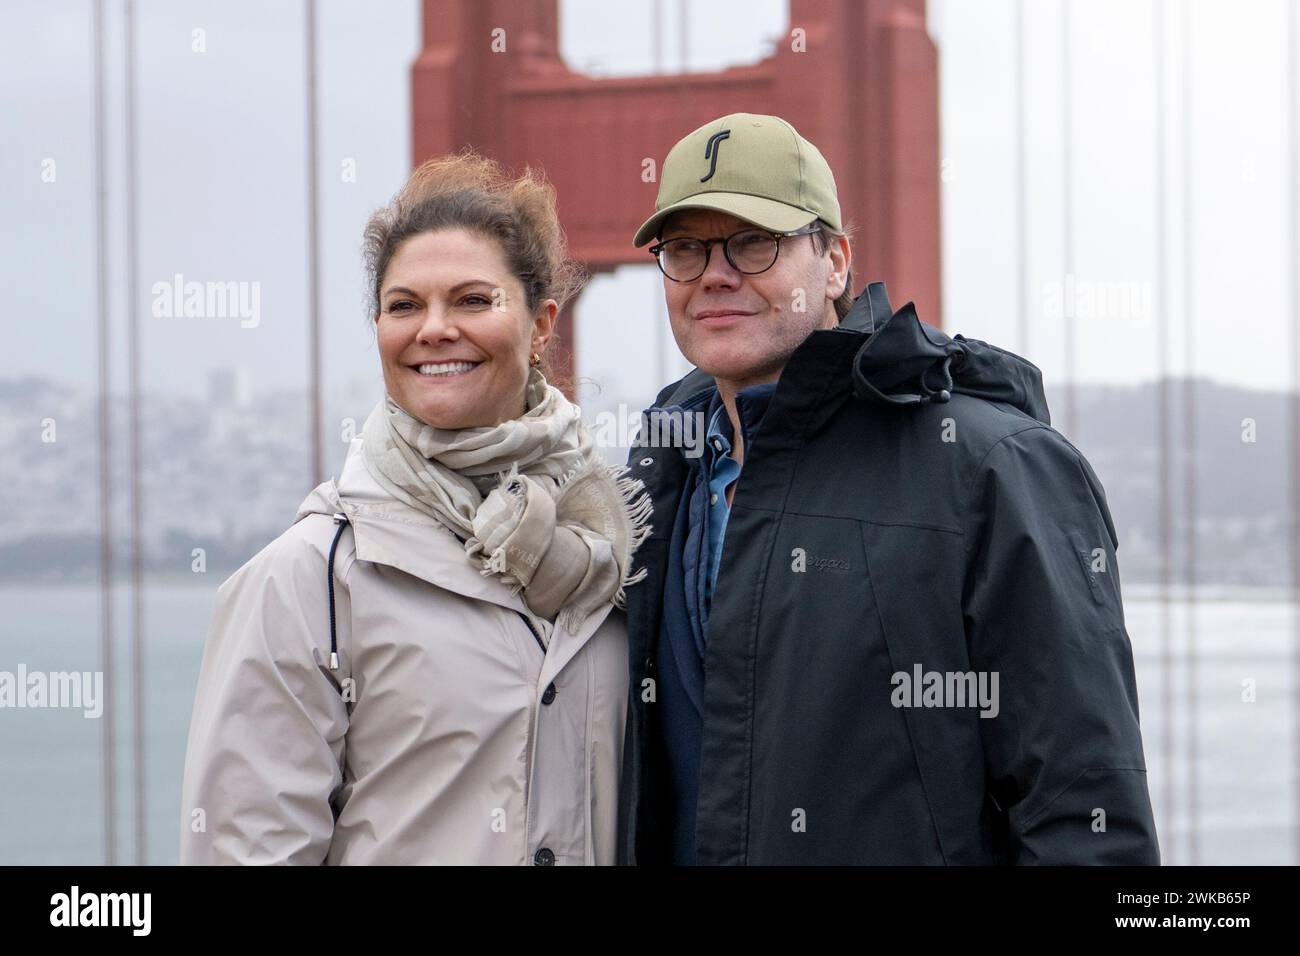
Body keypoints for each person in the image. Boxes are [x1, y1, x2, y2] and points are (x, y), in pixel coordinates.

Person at [617, 112, 1160, 865]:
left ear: (835, 262)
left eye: (754, 242)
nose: (715, 273)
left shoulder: (995, 469)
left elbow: (1082, 811)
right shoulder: (654, 480)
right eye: (685, 248)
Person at [180, 152, 651, 865]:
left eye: (471, 299)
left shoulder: (616, 551)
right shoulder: (313, 578)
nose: (433, 328)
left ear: (543, 324)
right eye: (404, 306)